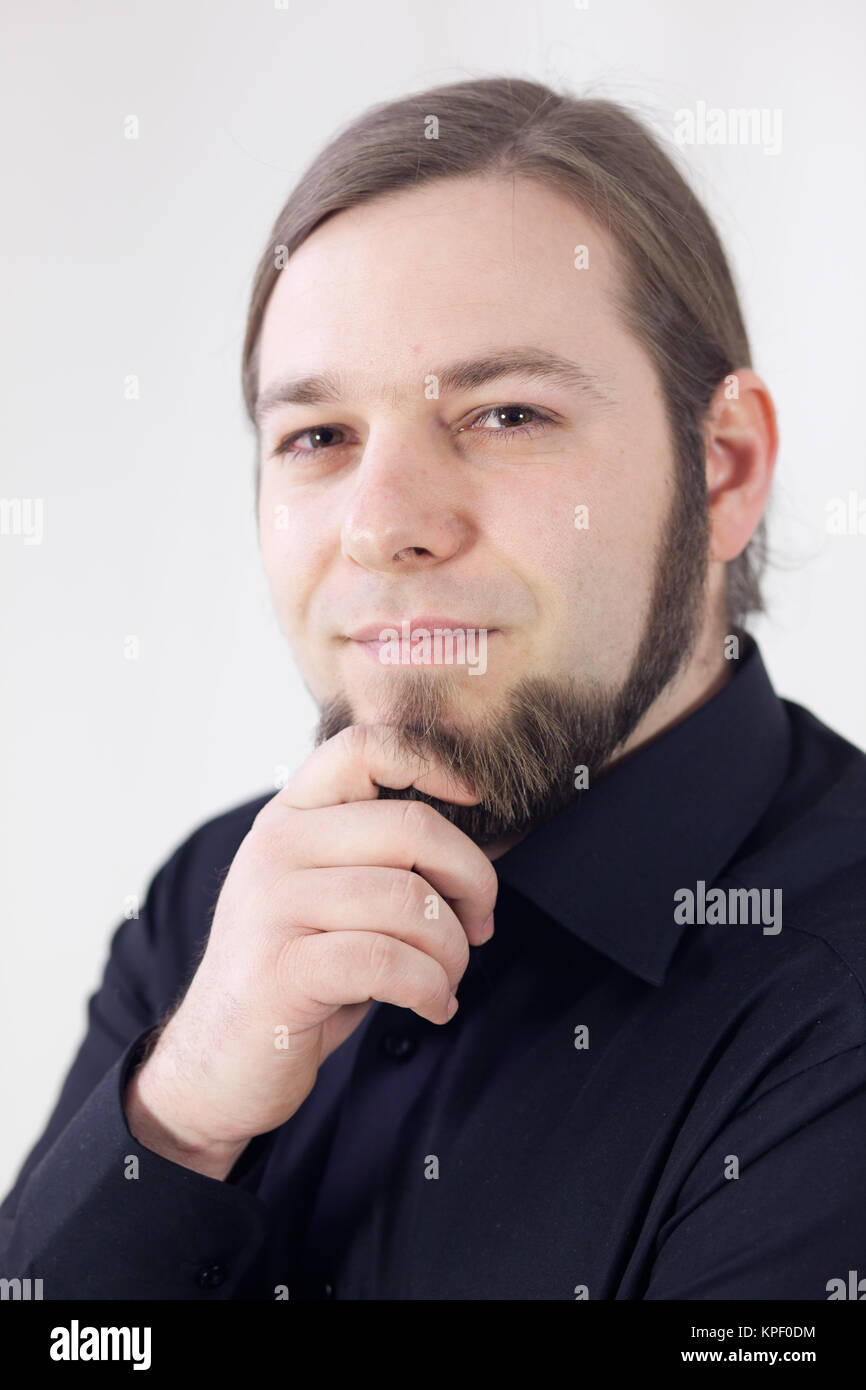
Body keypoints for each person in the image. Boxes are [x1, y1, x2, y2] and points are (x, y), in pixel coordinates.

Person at [2, 76, 865, 1301]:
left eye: (505, 413)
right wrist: (179, 1115)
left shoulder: (832, 1009)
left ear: (722, 470)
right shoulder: (208, 908)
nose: (383, 526)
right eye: (318, 438)